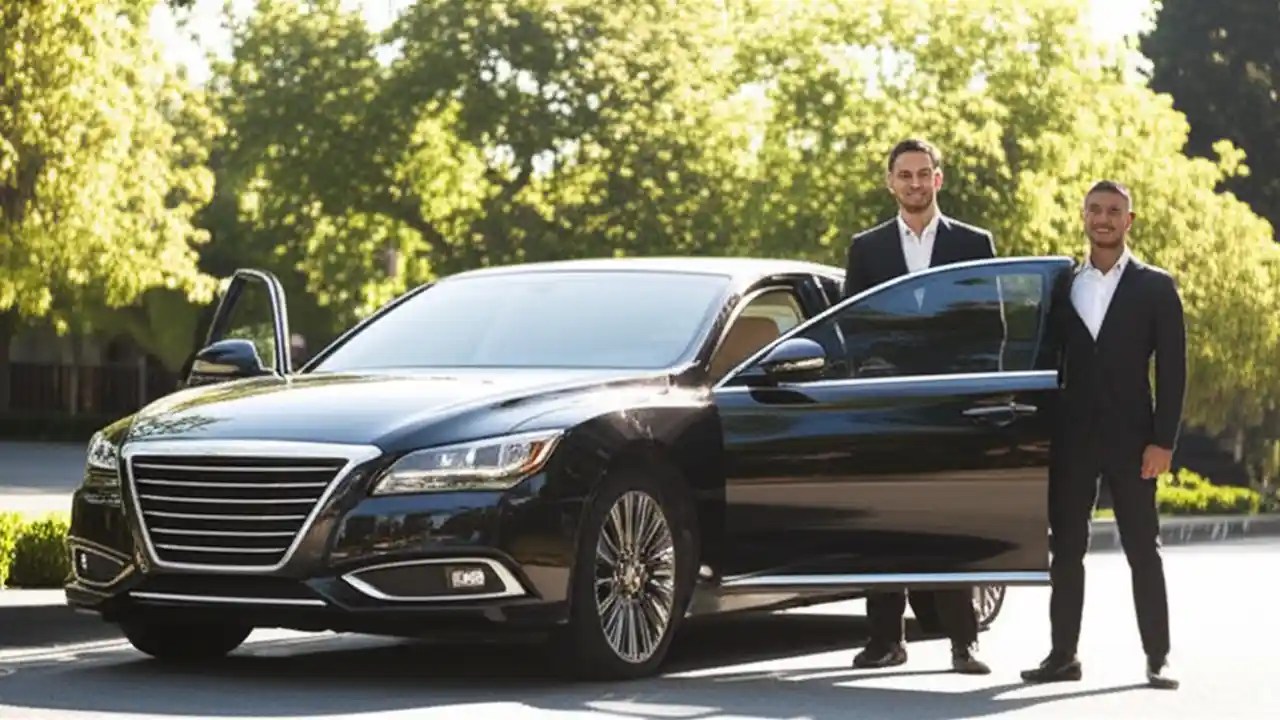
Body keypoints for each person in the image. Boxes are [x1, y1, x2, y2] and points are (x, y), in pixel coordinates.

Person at [1021, 180, 1185, 690]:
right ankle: (1062, 655)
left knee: (1143, 547)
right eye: (1095, 210)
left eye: (1114, 211)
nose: (1104, 219)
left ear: (1129, 221)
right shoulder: (1063, 283)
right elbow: (1046, 360)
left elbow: (1174, 369)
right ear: (1084, 216)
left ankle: (1158, 657)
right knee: (1066, 549)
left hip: (1135, 441)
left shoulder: (1156, 286)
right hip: (1072, 439)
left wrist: (1164, 441)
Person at [843, 138, 995, 675]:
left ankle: (963, 643)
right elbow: (853, 330)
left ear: (939, 179)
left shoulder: (975, 243)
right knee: (882, 522)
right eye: (903, 175)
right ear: (890, 182)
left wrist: (975, 400)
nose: (913, 183)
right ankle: (885, 640)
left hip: (950, 410)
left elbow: (989, 328)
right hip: (885, 408)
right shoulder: (866, 249)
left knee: (949, 525)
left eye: (922, 173)